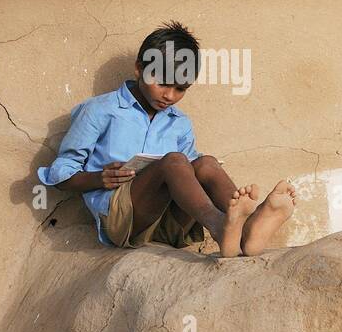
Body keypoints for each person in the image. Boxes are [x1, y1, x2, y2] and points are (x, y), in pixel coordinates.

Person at [37, 22, 296, 257]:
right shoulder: (100, 110)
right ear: (139, 69)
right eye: (162, 83)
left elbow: (193, 176)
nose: (170, 95)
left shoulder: (179, 123)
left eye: (181, 89)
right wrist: (97, 178)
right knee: (173, 161)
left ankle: (247, 230)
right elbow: (61, 171)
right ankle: (220, 226)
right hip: (123, 220)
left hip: (169, 223)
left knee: (205, 163)